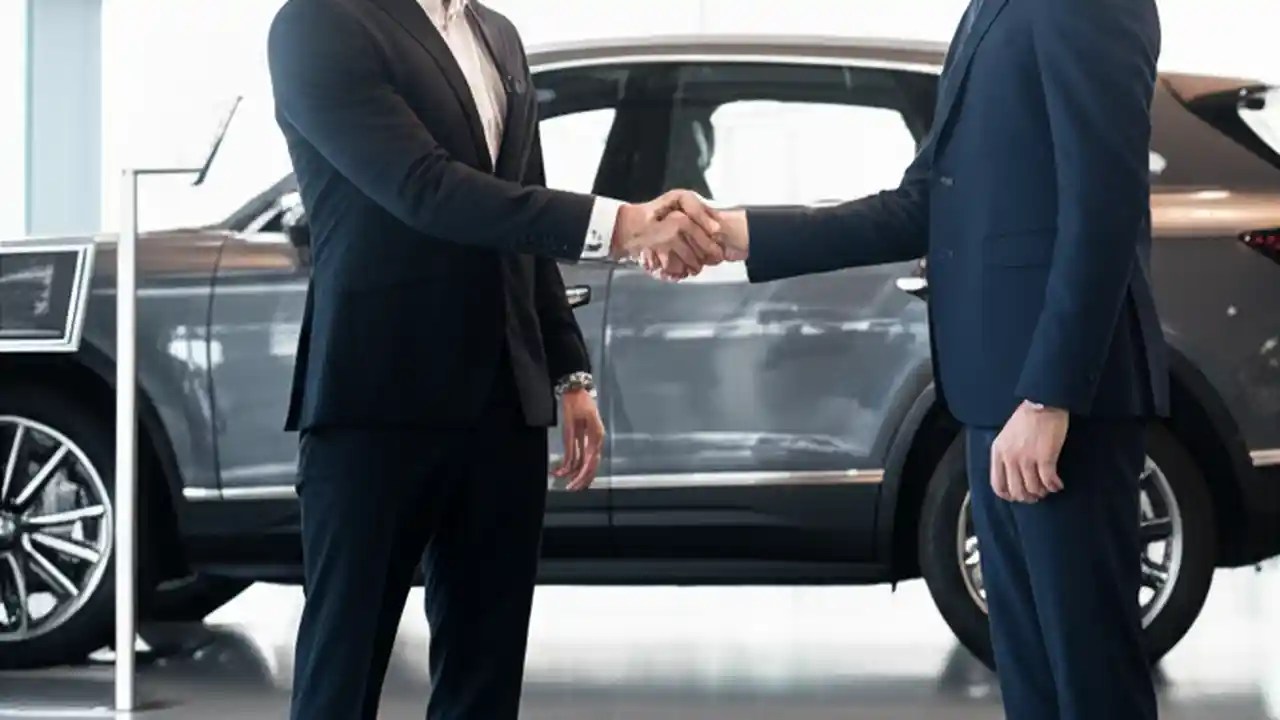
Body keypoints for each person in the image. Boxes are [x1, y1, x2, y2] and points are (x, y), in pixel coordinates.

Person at [652, 0, 1166, 718]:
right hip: (997, 402)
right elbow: (921, 205)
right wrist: (733, 232)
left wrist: (1050, 396)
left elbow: (1104, 209)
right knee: (1035, 686)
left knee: (1091, 685)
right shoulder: (989, 11)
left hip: (1056, 407)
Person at [266, 0, 723, 717]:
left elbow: (520, 210)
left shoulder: (498, 36)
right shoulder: (320, 23)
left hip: (505, 402)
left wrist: (568, 371)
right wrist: (624, 225)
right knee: (341, 675)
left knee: (485, 679)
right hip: (376, 399)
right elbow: (425, 188)